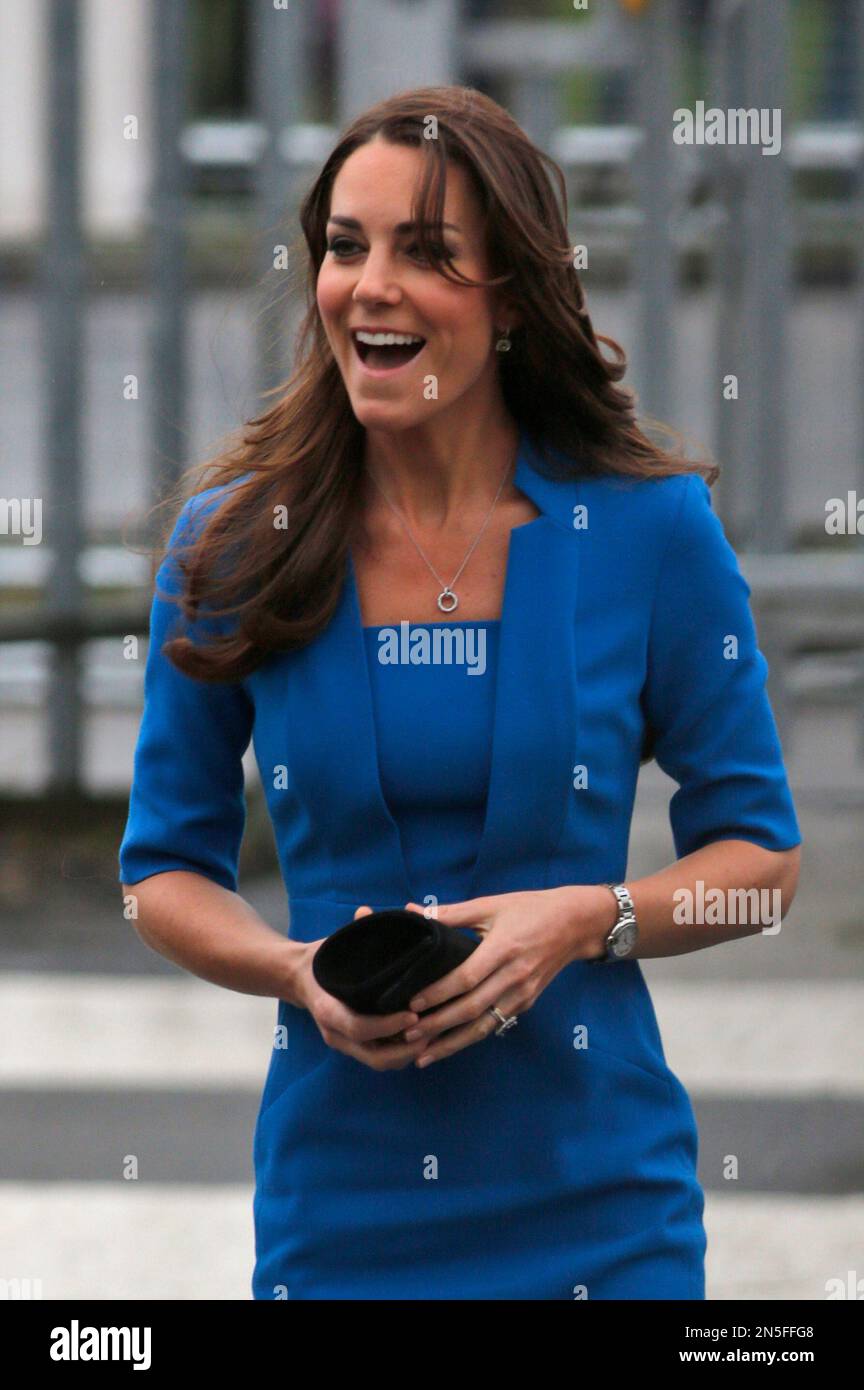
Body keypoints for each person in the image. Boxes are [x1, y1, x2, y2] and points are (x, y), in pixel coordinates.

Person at [119, 85, 802, 1300]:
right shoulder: (231, 542)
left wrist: (588, 917)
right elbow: (161, 871)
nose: (368, 285)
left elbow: (761, 863)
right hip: (340, 1219)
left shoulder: (652, 533)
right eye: (344, 246)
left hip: (606, 1213)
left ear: (511, 306)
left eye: (424, 253)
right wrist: (292, 970)